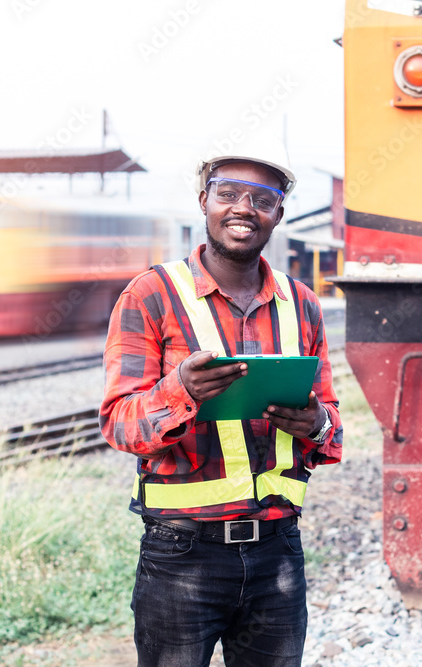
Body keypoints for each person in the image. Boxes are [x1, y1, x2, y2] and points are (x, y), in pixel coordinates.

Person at [99, 141, 342, 667]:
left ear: (278, 212)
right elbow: (119, 423)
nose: (243, 209)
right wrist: (180, 392)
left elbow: (332, 424)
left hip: (278, 550)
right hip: (182, 554)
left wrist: (316, 421)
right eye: (227, 194)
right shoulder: (151, 295)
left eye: (261, 198)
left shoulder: (302, 304)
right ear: (204, 201)